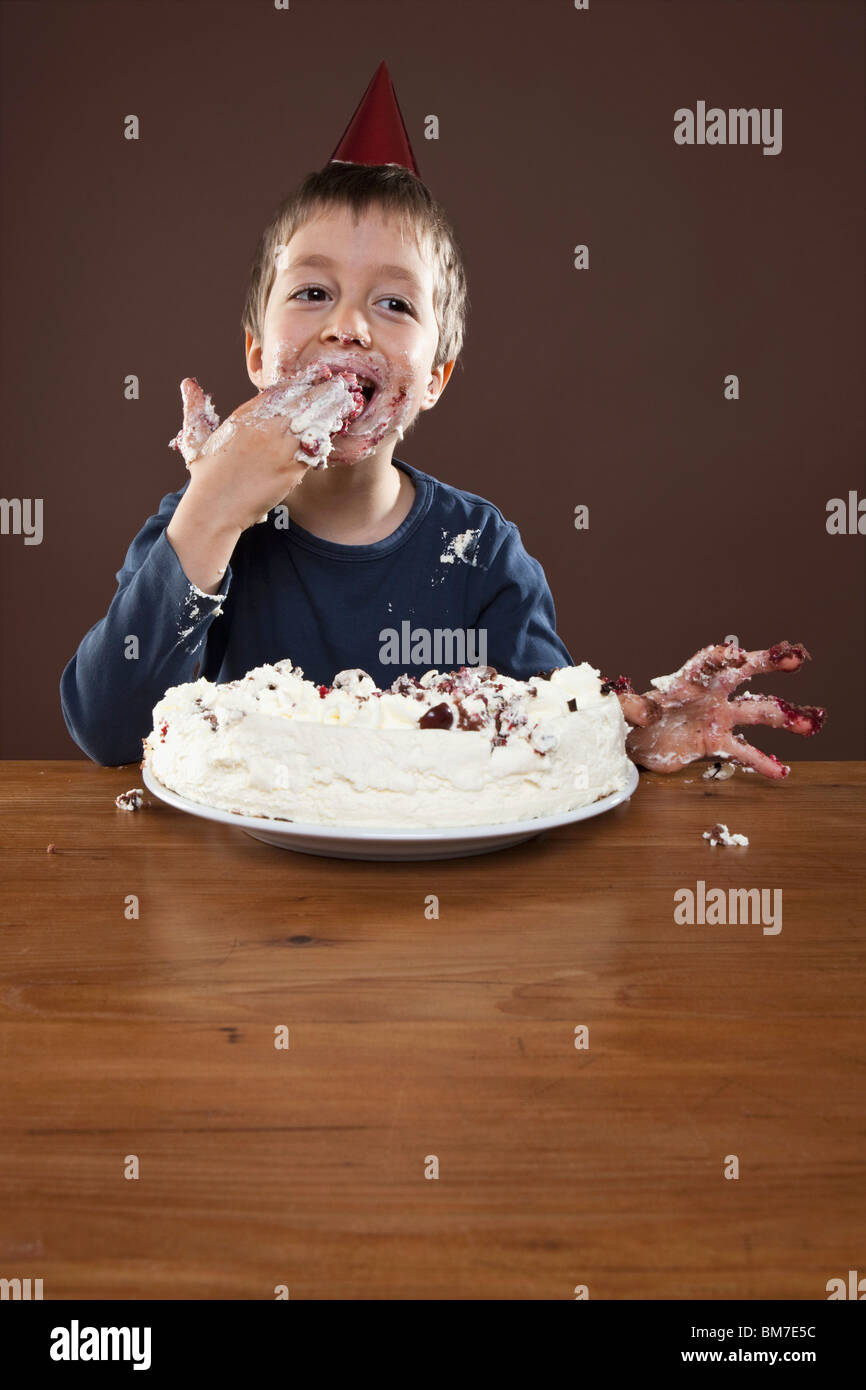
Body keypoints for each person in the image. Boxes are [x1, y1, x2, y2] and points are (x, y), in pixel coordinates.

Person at [60, 112, 824, 772]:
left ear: (434, 377)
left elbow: (555, 737)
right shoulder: (198, 525)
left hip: (448, 908)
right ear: (259, 354)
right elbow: (108, 732)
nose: (348, 325)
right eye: (313, 293)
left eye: (393, 302)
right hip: (241, 903)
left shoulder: (482, 551)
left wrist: (640, 729)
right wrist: (213, 510)